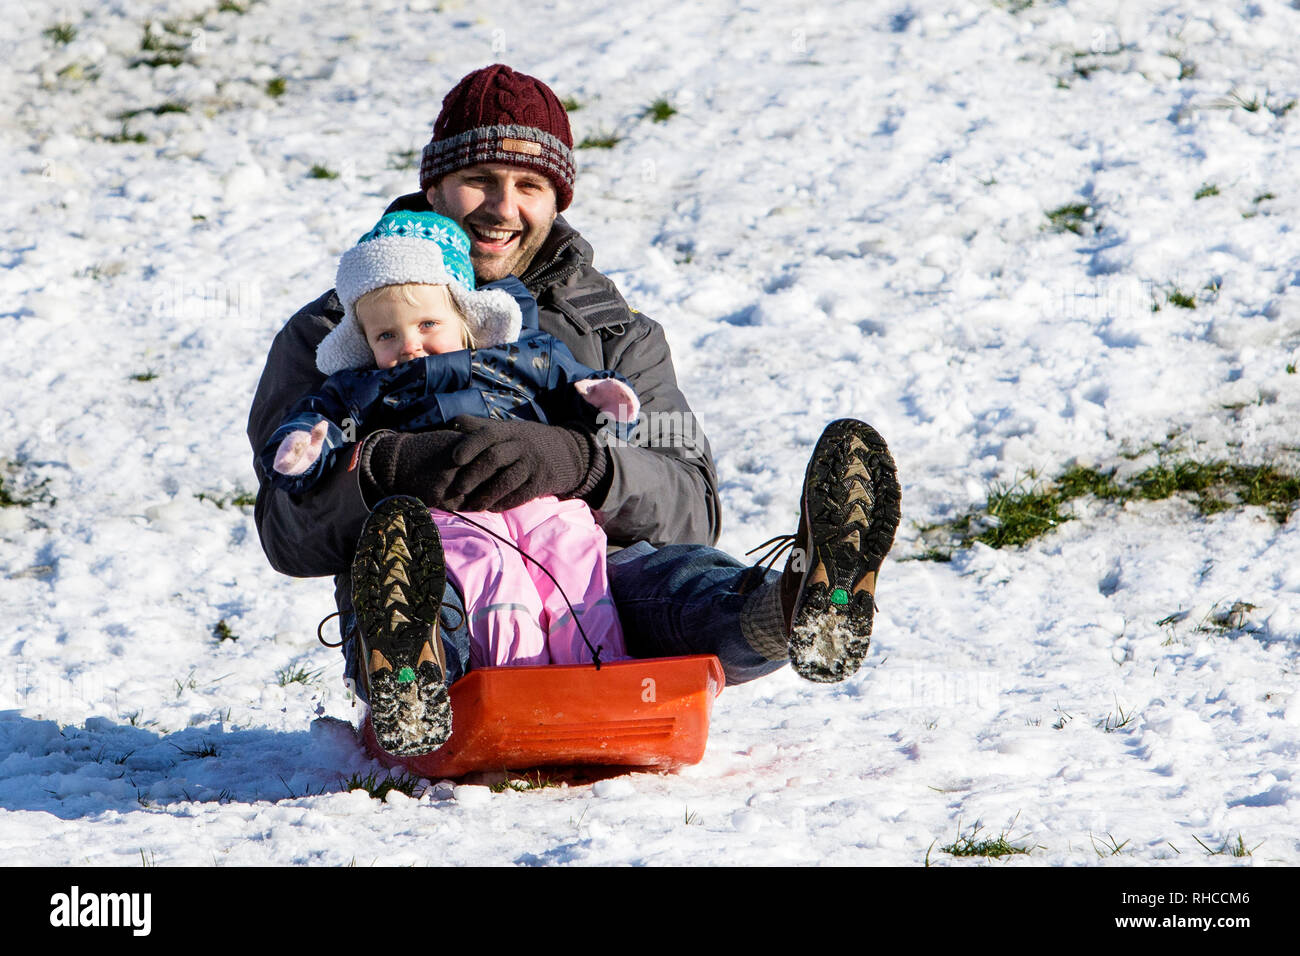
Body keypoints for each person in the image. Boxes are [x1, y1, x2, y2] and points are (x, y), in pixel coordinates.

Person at [247, 64, 901, 756]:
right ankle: (416, 682)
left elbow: (691, 505)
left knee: (681, 584)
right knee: (422, 591)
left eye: (529, 186)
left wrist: (583, 464)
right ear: (432, 186)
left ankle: (793, 609)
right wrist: (385, 469)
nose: (501, 208)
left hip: (596, 582)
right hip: (438, 574)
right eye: (479, 180)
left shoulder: (613, 334)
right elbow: (285, 531)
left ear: (557, 201)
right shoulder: (337, 335)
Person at [260, 210, 638, 753]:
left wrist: (598, 393)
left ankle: (602, 681)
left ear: (465, 317)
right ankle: (506, 692)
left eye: (427, 325)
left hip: (536, 495)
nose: (409, 344)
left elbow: (567, 378)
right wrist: (307, 443)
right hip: (449, 508)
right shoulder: (364, 387)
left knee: (575, 553)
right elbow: (323, 419)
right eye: (387, 334)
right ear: (367, 342)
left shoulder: (515, 356)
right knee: (489, 571)